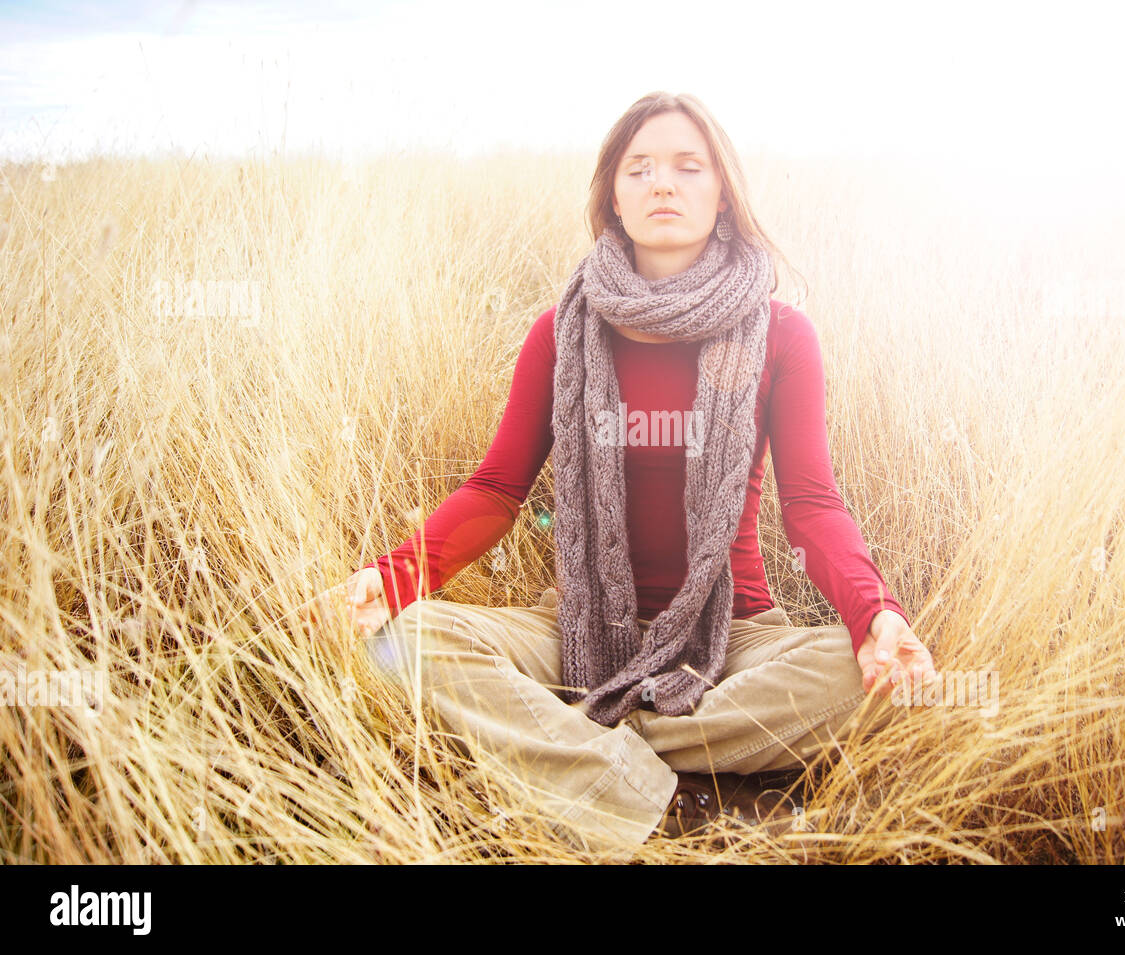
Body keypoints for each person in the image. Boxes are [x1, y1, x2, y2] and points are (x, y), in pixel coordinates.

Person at [301, 91, 938, 855]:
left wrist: (877, 616)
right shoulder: (561, 331)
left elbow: (811, 503)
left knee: (852, 674)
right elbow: (498, 489)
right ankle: (678, 793)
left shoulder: (782, 334)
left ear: (722, 192)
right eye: (638, 169)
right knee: (398, 645)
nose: (661, 183)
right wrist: (390, 579)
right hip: (579, 626)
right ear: (612, 196)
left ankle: (585, 751)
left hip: (729, 629)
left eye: (686, 166)